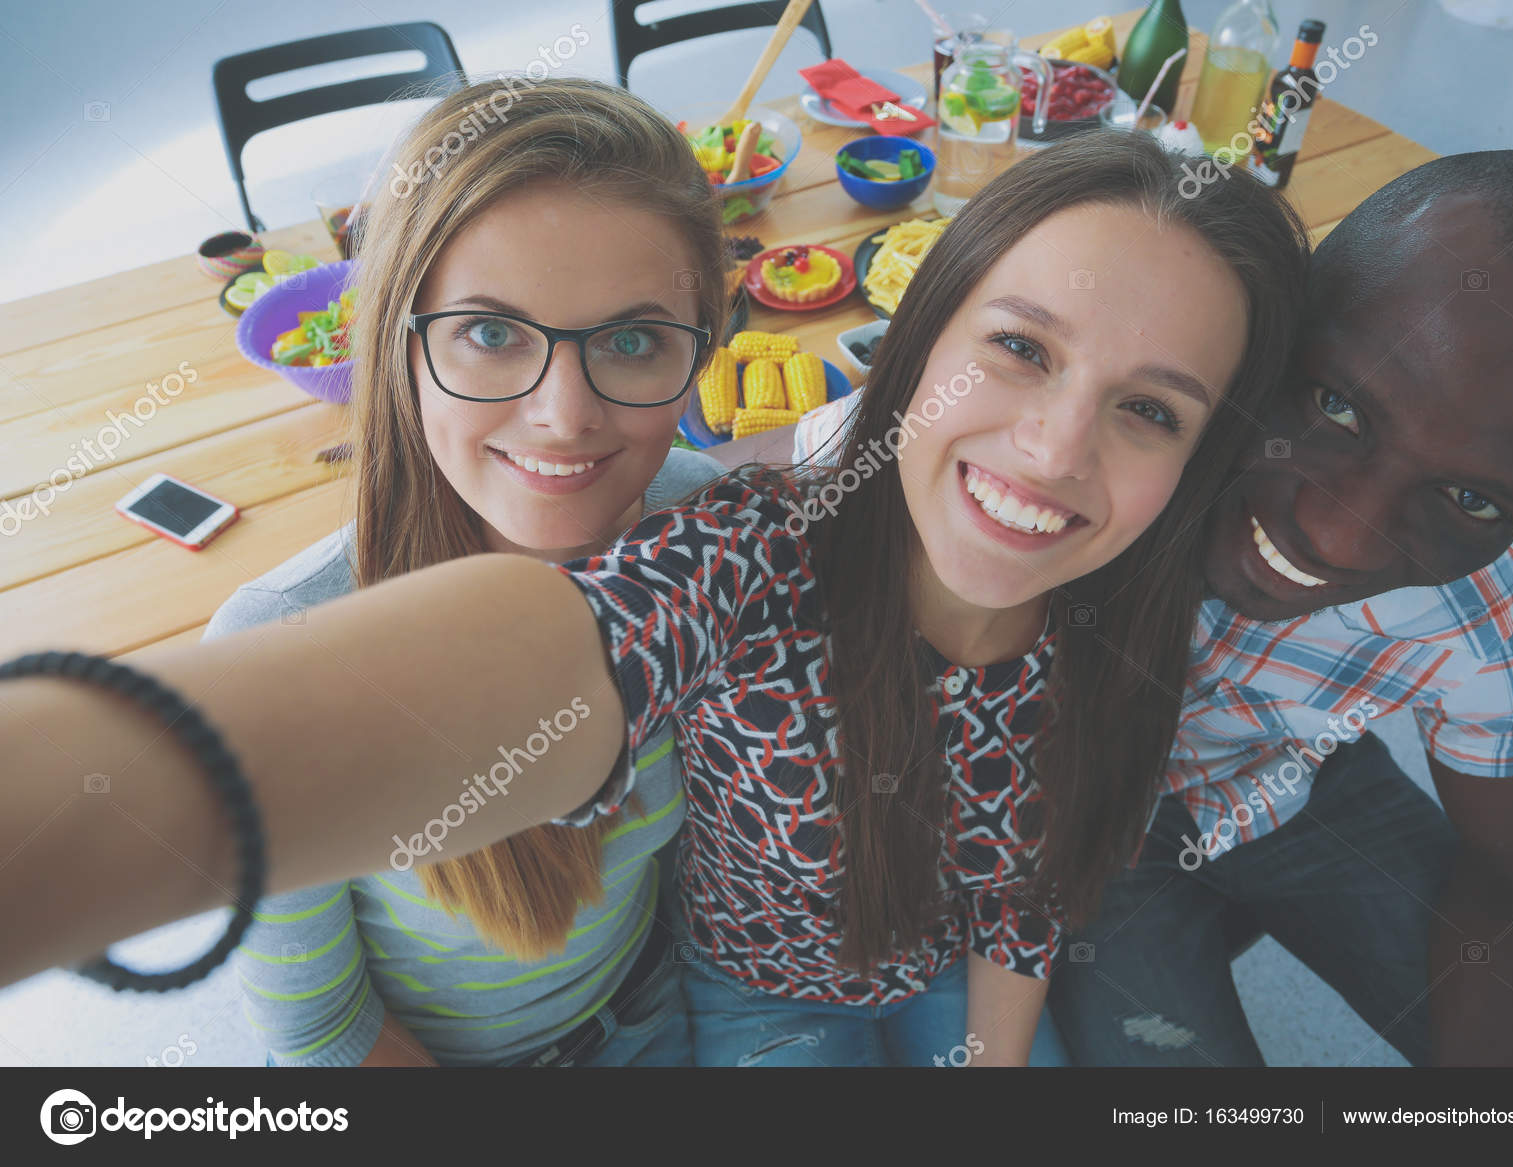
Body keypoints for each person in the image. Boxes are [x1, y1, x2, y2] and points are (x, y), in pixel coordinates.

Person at [0, 133, 1309, 1070]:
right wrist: (108, 788)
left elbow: (1027, 885)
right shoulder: (740, 537)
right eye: (1020, 347)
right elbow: (580, 644)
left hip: (770, 998)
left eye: (1149, 408)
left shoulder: (1109, 622)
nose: (1055, 448)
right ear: (922, 343)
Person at [785, 148, 1513, 1066]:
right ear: (1262, 337)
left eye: (1473, 500)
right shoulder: (1009, 472)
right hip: (1056, 819)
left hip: (1284, 783)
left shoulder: (1499, 616)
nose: (1342, 539)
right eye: (1334, 406)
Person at [203, 77, 729, 1067]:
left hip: (664, 1015)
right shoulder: (282, 648)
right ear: (399, 345)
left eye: (631, 340)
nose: (565, 416)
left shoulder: (706, 530)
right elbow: (321, 1033)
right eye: (491, 334)